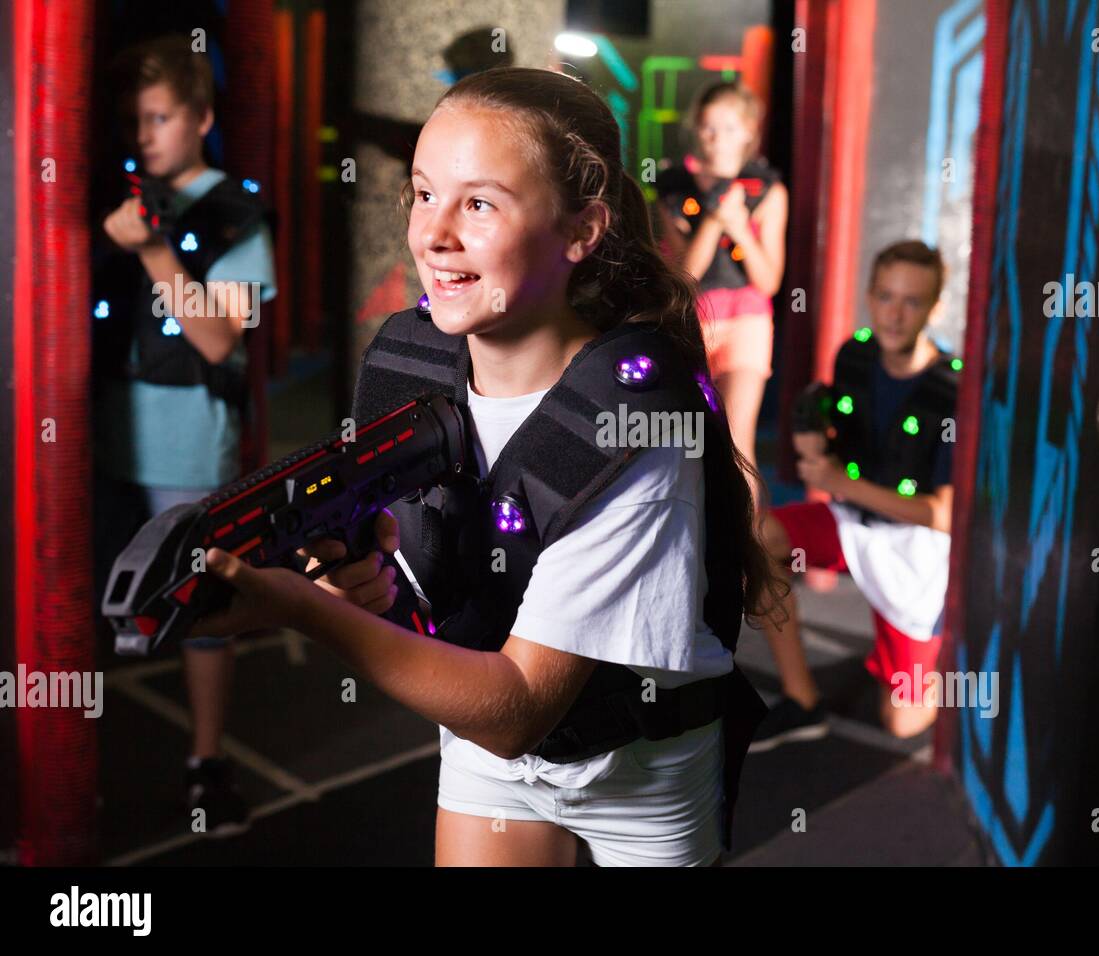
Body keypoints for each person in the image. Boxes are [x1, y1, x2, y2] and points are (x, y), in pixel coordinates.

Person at [189, 66, 783, 867]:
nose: (433, 235)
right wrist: (369, 590)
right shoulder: (408, 364)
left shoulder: (632, 421)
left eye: (480, 204)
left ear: (582, 231)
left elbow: (520, 707)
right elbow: (436, 597)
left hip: (638, 761)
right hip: (488, 740)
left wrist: (298, 608)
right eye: (425, 193)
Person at [91, 35, 276, 835]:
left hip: (187, 442)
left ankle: (207, 763)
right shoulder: (119, 203)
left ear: (200, 117)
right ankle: (86, 763)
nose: (143, 135)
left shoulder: (237, 211)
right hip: (105, 436)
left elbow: (220, 340)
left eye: (159, 118)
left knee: (197, 608)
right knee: (103, 609)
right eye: (133, 120)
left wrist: (155, 251)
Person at [749, 241, 958, 749]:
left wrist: (843, 483)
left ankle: (953, 659)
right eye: (886, 296)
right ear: (869, 296)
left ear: (935, 308)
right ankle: (802, 700)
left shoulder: (951, 388)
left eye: (912, 301)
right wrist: (815, 438)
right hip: (851, 521)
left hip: (917, 550)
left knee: (902, 722)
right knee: (758, 538)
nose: (896, 313)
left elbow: (944, 514)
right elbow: (842, 433)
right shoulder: (856, 354)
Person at [654, 82, 787, 498]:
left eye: (729, 128)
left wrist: (737, 227)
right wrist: (713, 220)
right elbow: (684, 275)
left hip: (746, 319)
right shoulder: (674, 188)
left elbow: (769, 281)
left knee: (736, 439)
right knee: (686, 437)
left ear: (748, 130)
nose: (718, 139)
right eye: (709, 128)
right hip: (693, 317)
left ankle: (747, 549)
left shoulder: (768, 191)